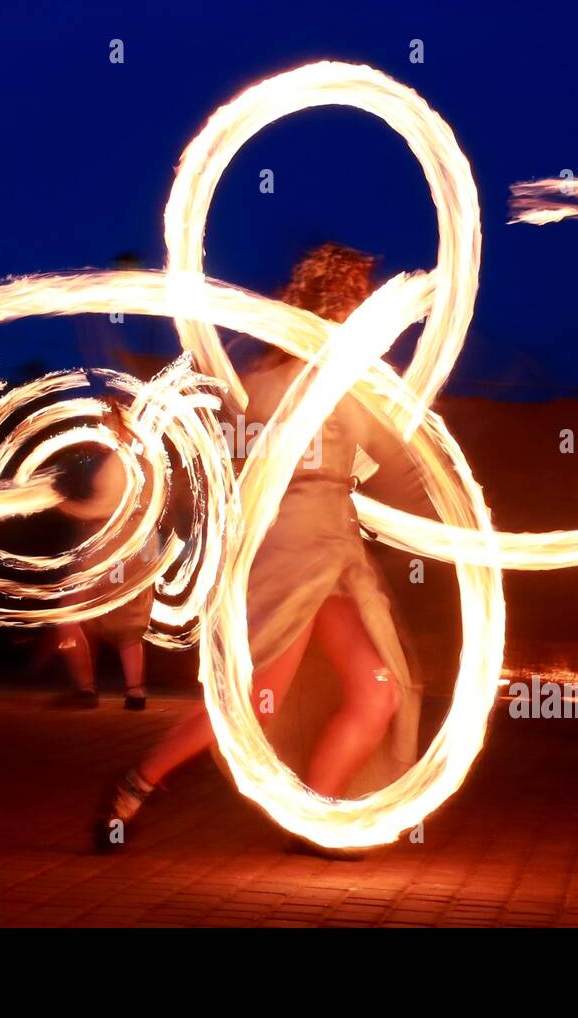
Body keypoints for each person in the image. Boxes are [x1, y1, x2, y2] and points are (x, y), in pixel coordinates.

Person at [95, 243, 426, 857]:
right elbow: (222, 453)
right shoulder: (290, 386)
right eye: (356, 303)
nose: (365, 316)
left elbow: (392, 462)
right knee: (253, 706)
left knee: (378, 687)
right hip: (291, 547)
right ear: (334, 310)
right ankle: (139, 782)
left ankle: (316, 819)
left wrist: (447, 514)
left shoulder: (334, 383)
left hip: (334, 550)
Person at [32, 402, 156, 710]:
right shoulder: (147, 460)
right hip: (137, 551)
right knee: (128, 625)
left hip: (110, 549)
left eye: (106, 420)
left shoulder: (119, 462)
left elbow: (105, 509)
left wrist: (64, 505)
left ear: (120, 424)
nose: (101, 426)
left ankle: (86, 689)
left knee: (69, 614)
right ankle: (135, 693)